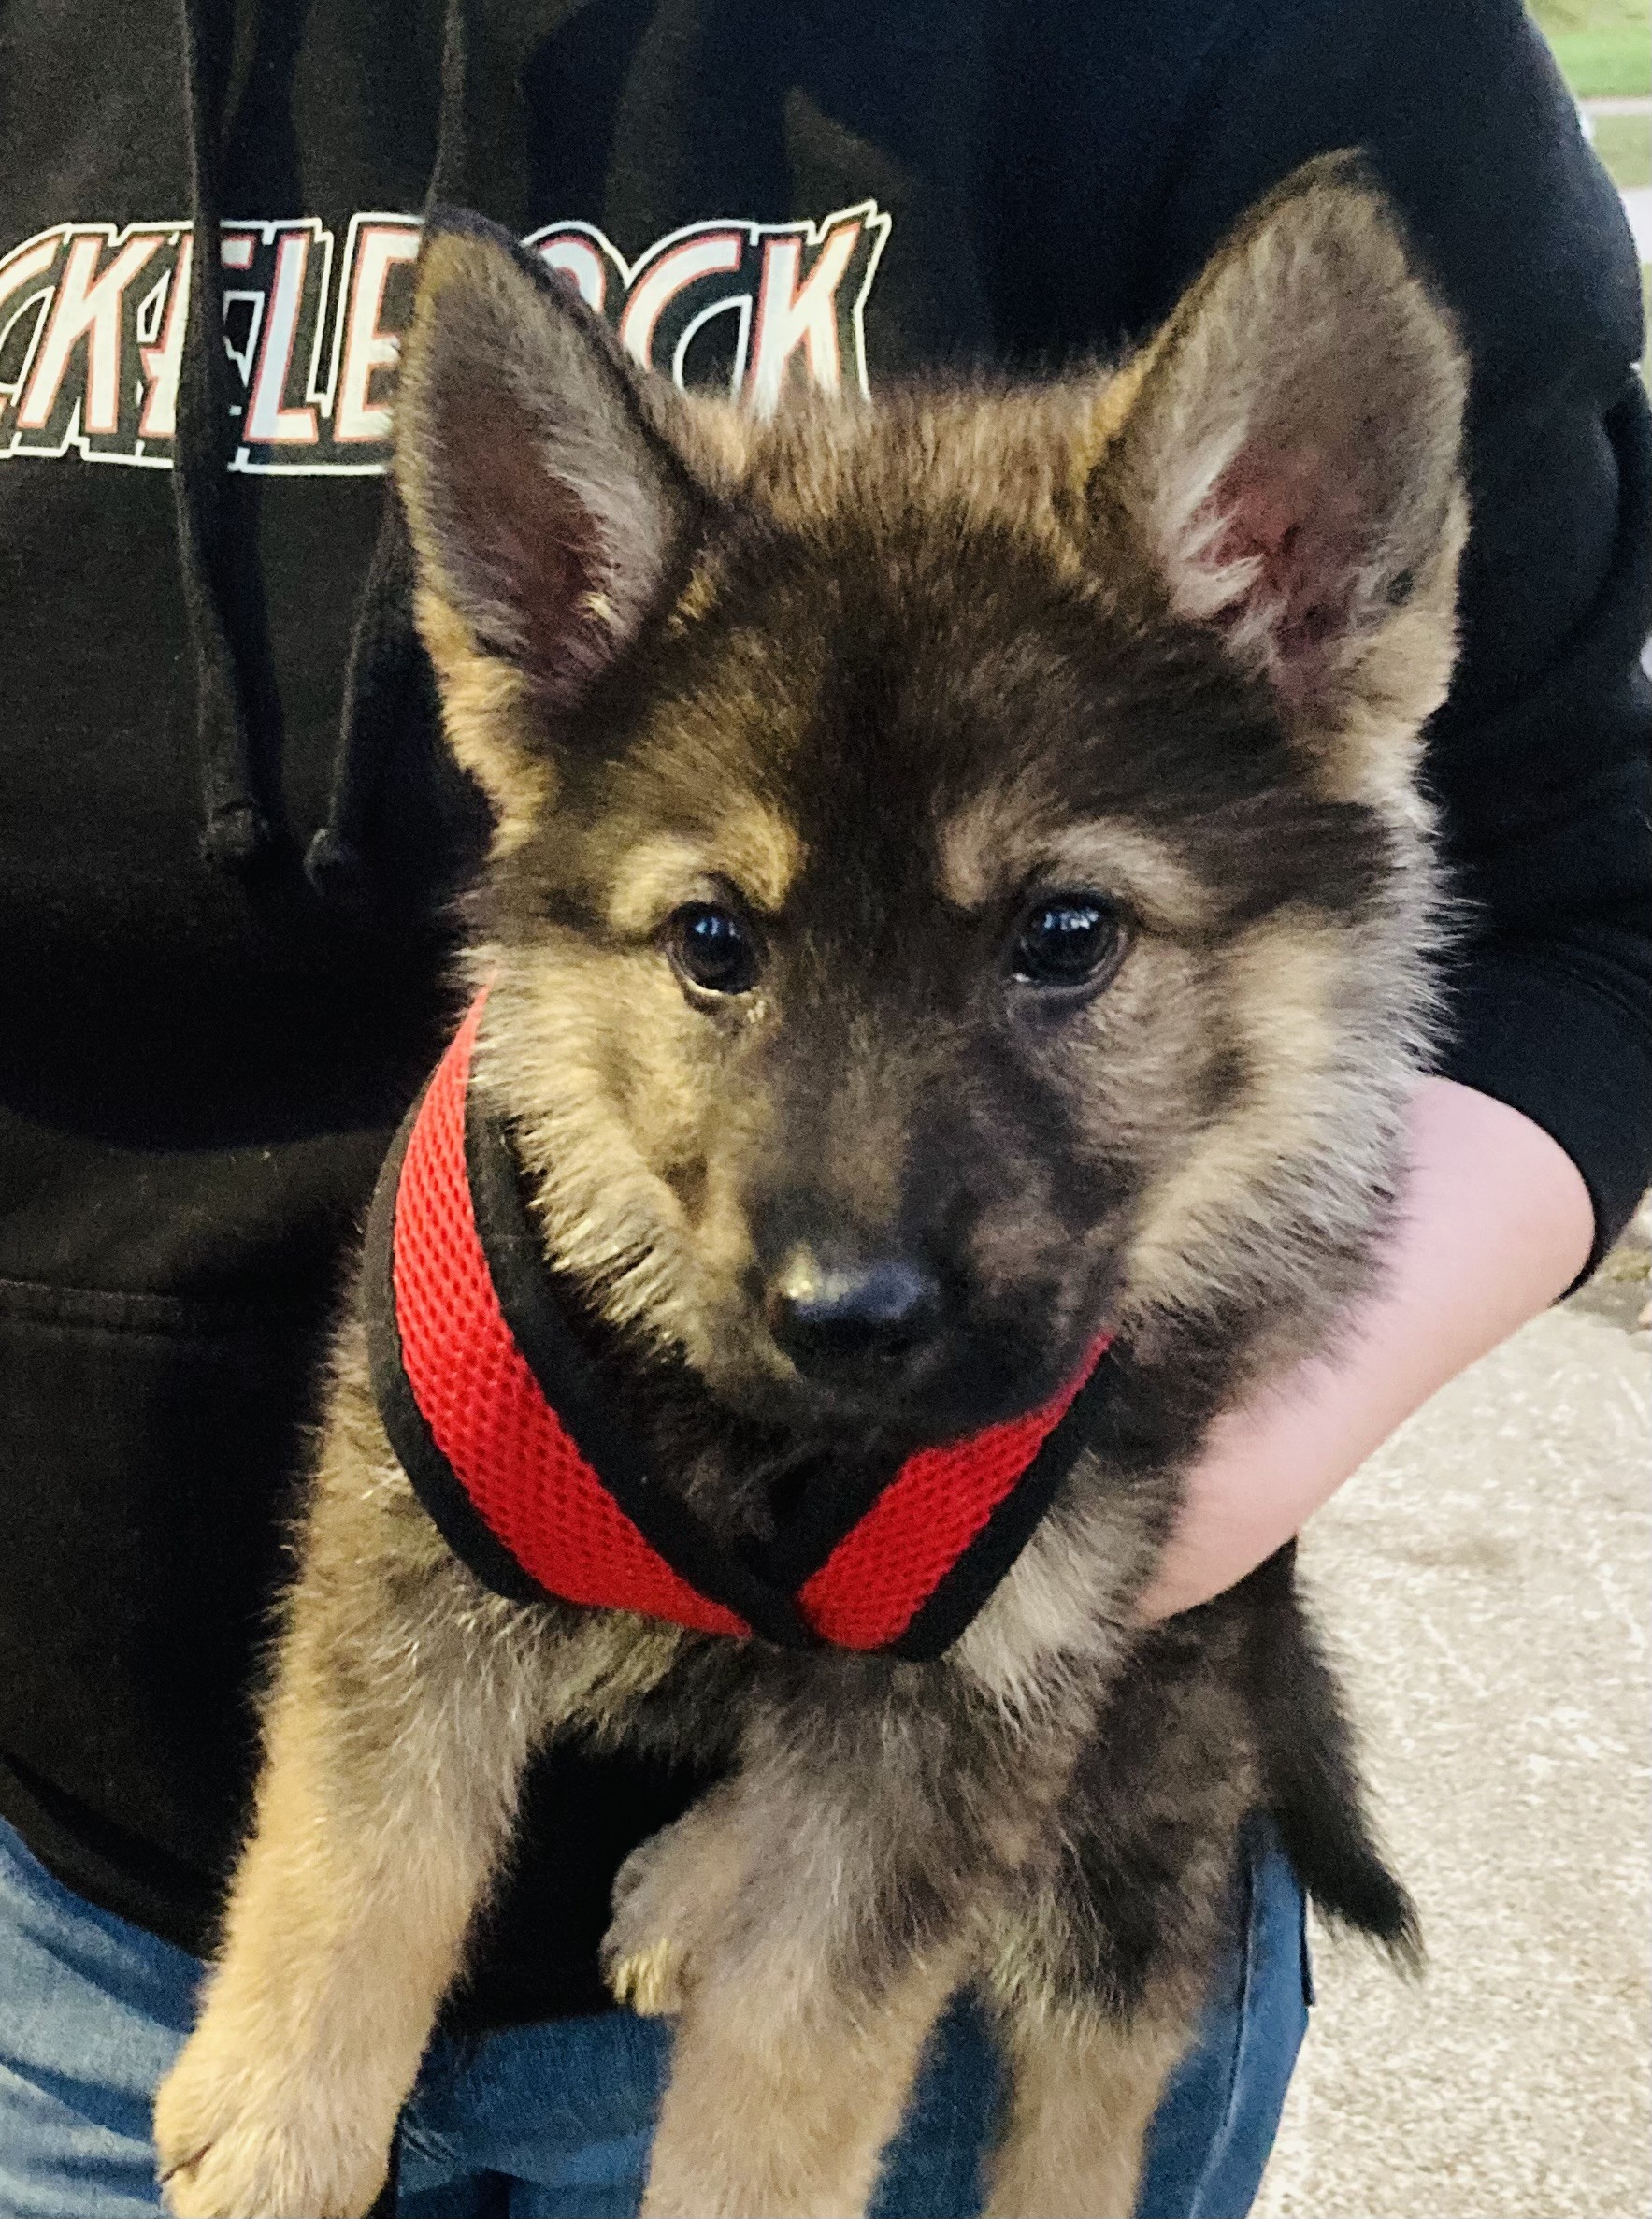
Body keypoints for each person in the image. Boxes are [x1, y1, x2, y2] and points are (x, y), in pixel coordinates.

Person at [0, 2, 1645, 2213]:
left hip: (940, 1958)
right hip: (68, 1933)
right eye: (718, 945)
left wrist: (1095, 1499)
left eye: (1060, 942)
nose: (848, 1232)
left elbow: (1595, 915)